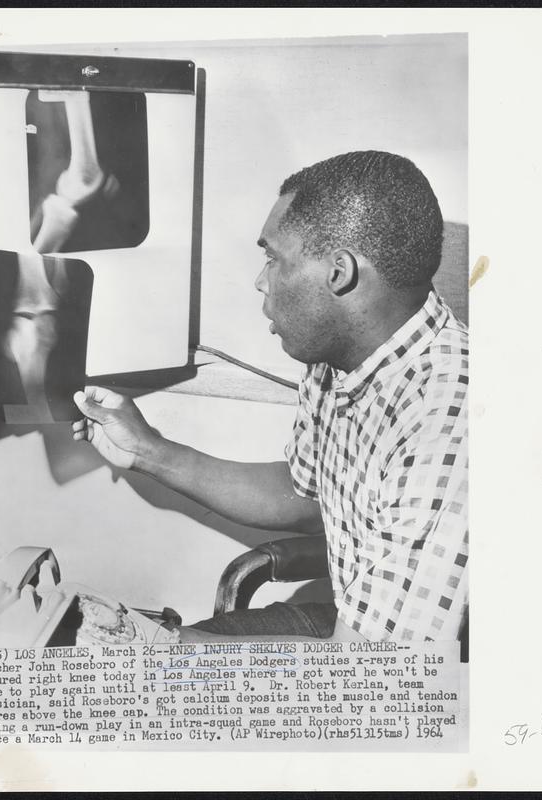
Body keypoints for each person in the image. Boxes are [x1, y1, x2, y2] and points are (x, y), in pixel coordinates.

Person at [72, 150, 468, 645]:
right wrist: (148, 451)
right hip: (354, 634)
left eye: (273, 257)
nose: (261, 280)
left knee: (134, 673)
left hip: (401, 684)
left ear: (339, 273)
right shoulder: (341, 355)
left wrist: (154, 647)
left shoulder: (449, 427)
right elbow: (303, 495)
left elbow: (377, 687)